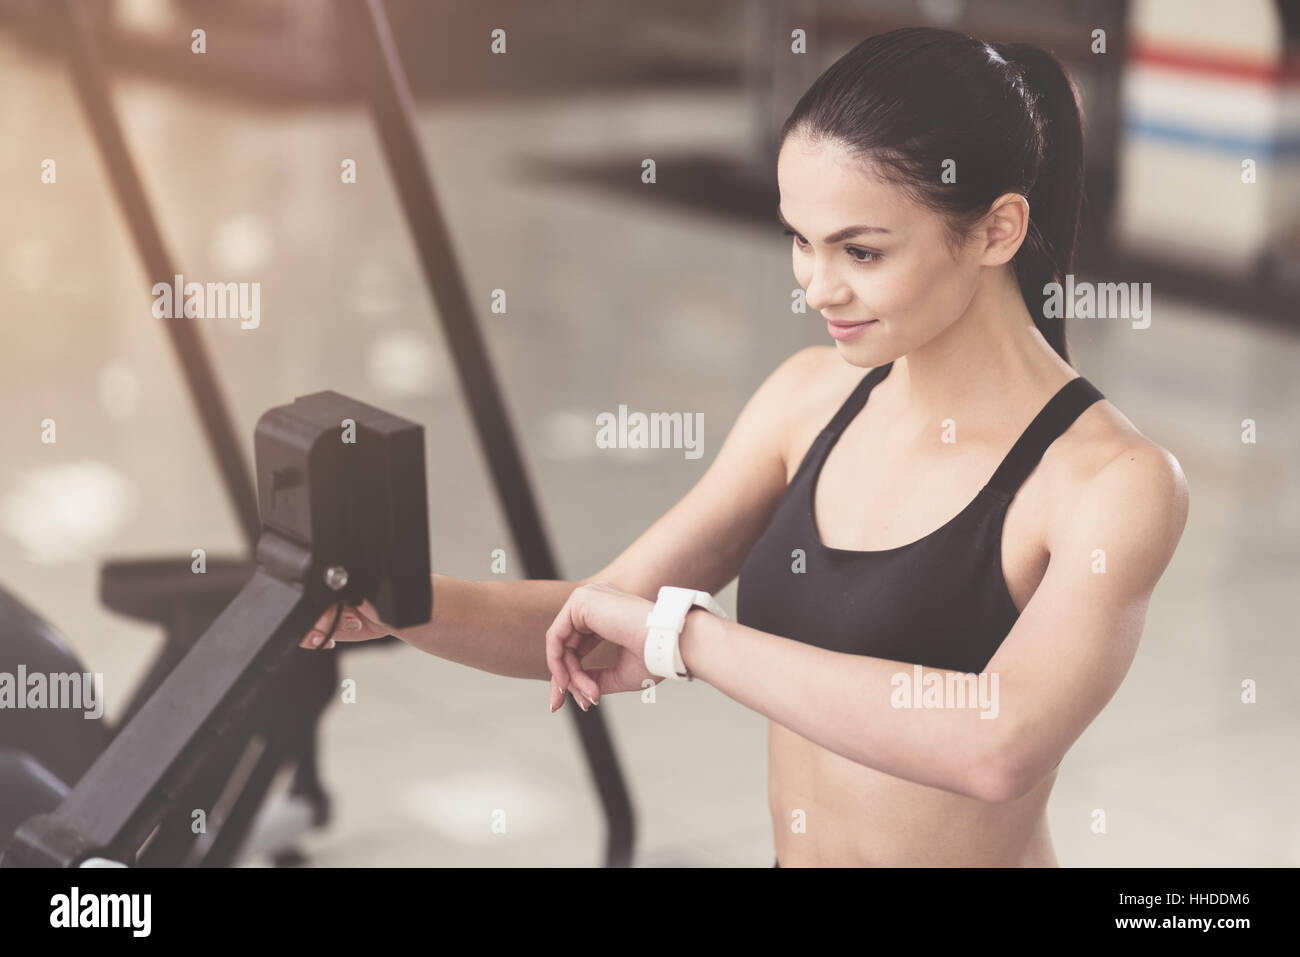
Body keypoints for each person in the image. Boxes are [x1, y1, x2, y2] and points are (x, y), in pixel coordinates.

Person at [300, 27, 1189, 867]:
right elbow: (601, 614)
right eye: (800, 240)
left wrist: (689, 640)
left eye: (862, 251)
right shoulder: (809, 398)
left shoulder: (1109, 482)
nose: (817, 285)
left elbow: (996, 744)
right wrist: (407, 604)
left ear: (997, 229)